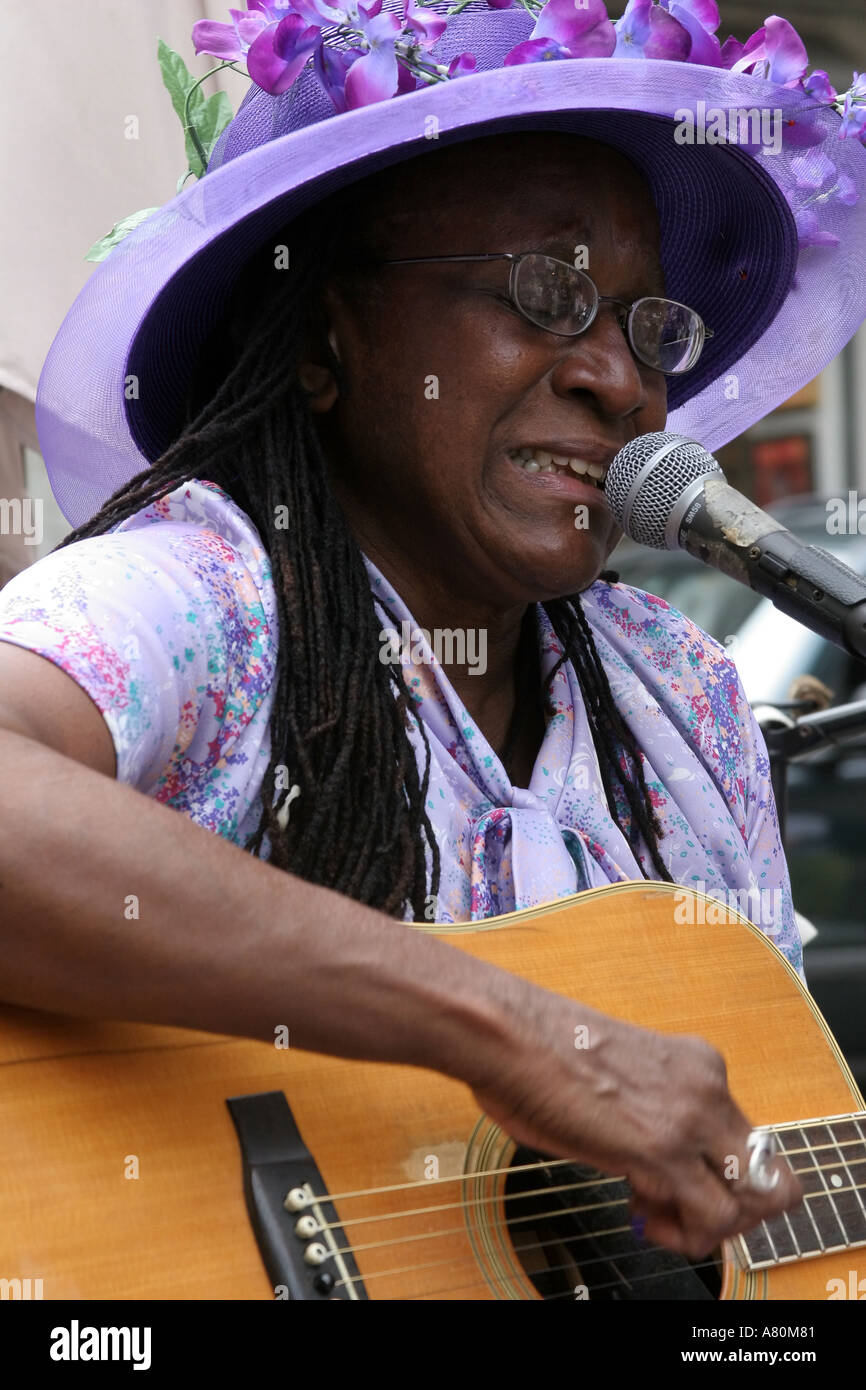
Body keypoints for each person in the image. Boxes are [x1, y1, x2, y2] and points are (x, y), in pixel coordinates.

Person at [2, 0, 865, 1273]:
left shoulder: (676, 691)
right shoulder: (210, 598)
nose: (618, 381)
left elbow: (769, 1186)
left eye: (646, 328)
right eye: (546, 291)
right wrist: (511, 1034)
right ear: (324, 342)